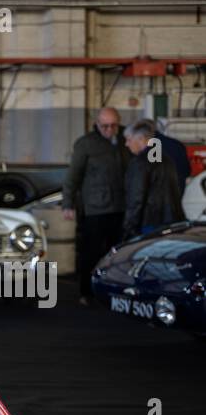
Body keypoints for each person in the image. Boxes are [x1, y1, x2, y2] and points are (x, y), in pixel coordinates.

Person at [62, 107, 129, 300]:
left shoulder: (126, 139)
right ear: (97, 124)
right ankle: (87, 292)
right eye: (104, 126)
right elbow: (73, 176)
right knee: (91, 252)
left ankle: (114, 290)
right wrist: (68, 204)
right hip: (95, 209)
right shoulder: (86, 144)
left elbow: (151, 146)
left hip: (122, 207)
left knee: (118, 252)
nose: (109, 129)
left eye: (113, 125)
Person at [123, 119, 187, 239]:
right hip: (172, 220)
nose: (126, 144)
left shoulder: (140, 163)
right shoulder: (166, 159)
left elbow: (136, 198)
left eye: (129, 139)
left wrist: (129, 229)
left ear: (141, 139)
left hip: (149, 223)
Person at [154, 124, 191, 190]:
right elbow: (187, 170)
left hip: (159, 189)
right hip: (178, 187)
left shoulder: (149, 147)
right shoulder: (177, 144)